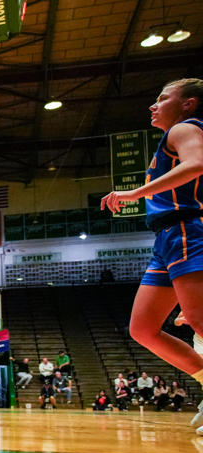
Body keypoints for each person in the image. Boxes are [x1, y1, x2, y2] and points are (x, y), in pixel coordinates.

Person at [101, 78, 203, 435]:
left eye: (162, 98)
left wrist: (134, 193)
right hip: (167, 239)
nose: (153, 105)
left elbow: (196, 164)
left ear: (188, 104)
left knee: (197, 317)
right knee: (143, 328)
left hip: (188, 228)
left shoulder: (186, 128)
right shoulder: (171, 136)